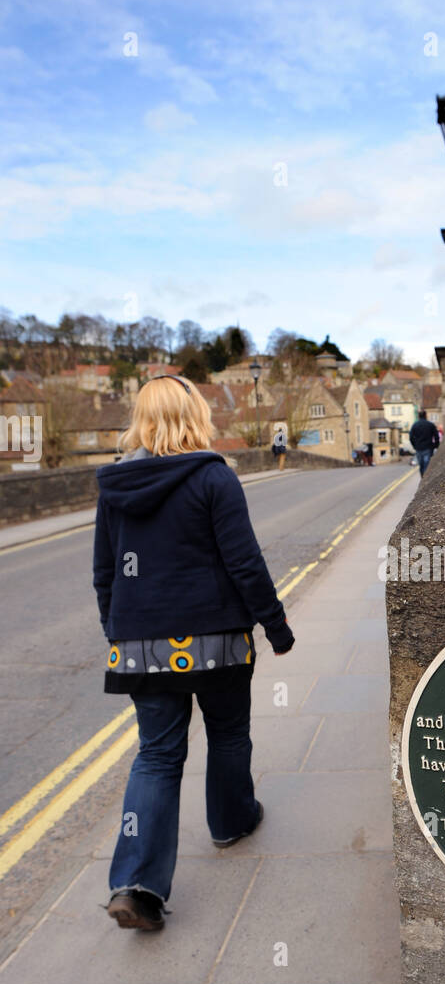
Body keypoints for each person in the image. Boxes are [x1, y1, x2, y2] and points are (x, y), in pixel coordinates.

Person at [93, 374, 295, 933]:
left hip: (141, 648)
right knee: (228, 734)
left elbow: (105, 575)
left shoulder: (115, 487)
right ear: (194, 414)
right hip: (218, 642)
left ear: (141, 418)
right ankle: (231, 821)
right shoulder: (212, 476)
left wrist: (122, 636)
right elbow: (245, 564)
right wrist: (276, 628)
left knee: (157, 755)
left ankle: (136, 885)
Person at [409, 410, 440, 477]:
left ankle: (422, 477)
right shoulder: (430, 425)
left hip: (419, 448)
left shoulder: (415, 425)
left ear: (418, 416)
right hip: (428, 448)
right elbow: (436, 436)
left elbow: (411, 437)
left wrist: (414, 446)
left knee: (421, 465)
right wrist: (435, 446)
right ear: (426, 416)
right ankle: (425, 478)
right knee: (427, 464)